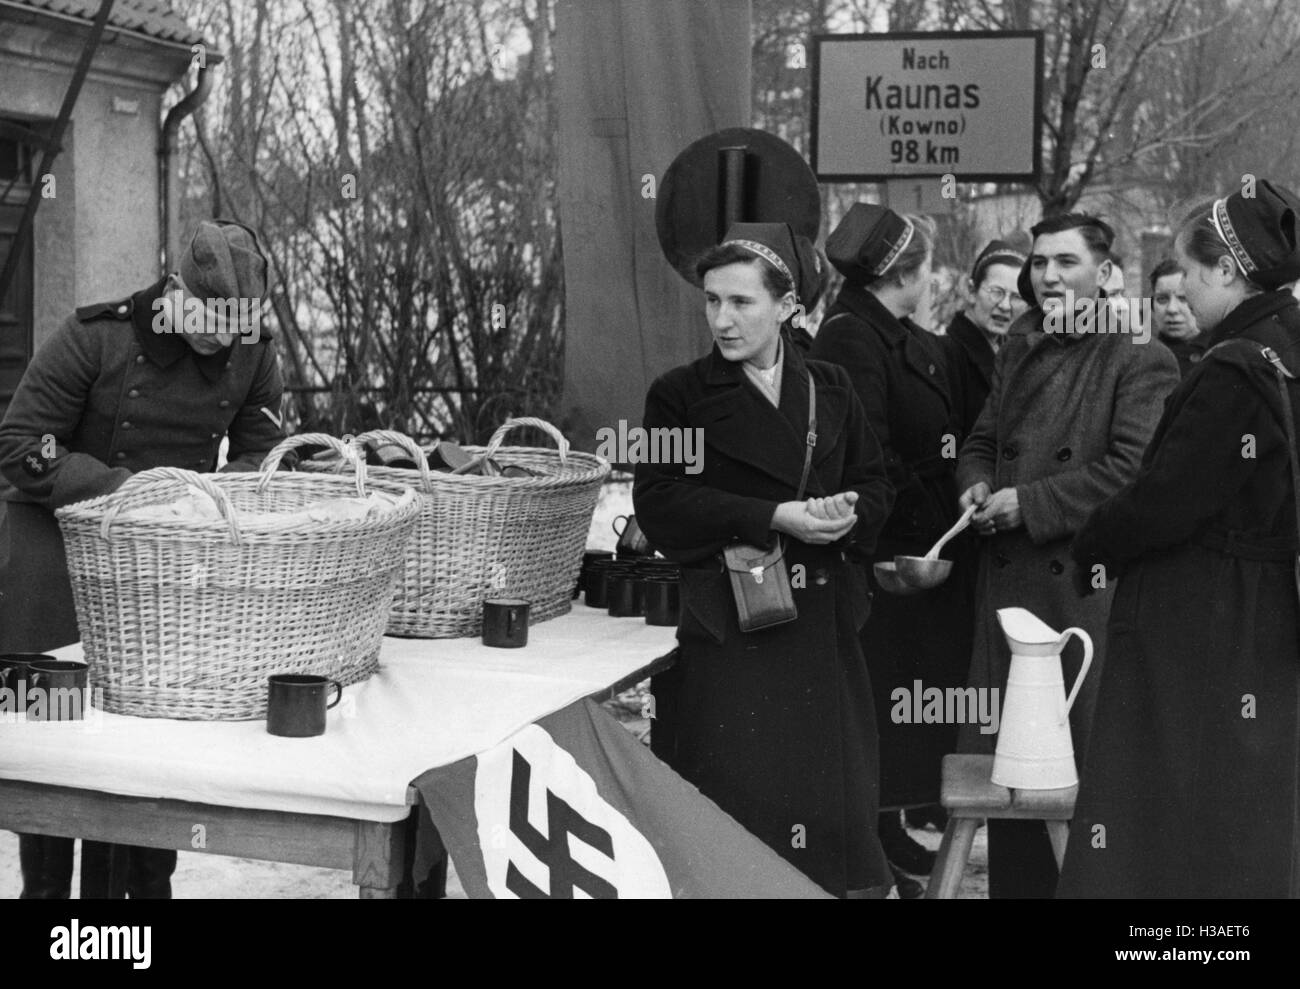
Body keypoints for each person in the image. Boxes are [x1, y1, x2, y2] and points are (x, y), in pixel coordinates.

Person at [0, 219, 289, 898]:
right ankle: (46, 900)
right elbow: (18, 442)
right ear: (175, 288)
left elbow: (260, 456)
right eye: (211, 316)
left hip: (162, 566)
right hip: (54, 550)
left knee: (150, 745)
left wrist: (208, 498)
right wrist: (120, 489)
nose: (224, 335)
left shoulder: (252, 351)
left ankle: (136, 909)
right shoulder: (96, 335)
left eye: (237, 321)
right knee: (54, 746)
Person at [633, 221, 896, 898]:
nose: (722, 318)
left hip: (824, 629)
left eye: (742, 302)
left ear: (786, 306)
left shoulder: (831, 386)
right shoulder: (679, 396)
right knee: (736, 825)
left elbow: (877, 483)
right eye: (712, 301)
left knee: (828, 826)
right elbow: (660, 503)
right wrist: (773, 516)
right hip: (732, 635)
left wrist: (847, 515)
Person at [1060, 181, 1300, 898]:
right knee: (1243, 801)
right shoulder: (1285, 347)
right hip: (1264, 606)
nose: (1182, 292)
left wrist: (1095, 539)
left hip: (1201, 615)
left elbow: (1167, 499)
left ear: (1225, 268)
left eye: (1189, 273)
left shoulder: (1234, 366)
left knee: (1169, 804)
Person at [954, 213, 1180, 898]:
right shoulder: (1021, 345)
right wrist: (976, 485)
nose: (1048, 276)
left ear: (1107, 275)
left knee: (1079, 788)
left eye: (1067, 262)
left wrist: (1030, 504)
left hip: (1081, 602)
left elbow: (1131, 472)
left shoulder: (1141, 355)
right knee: (1013, 788)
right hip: (1010, 599)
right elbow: (980, 441)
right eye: (1041, 262)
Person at [809, 204, 970, 891]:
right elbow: (865, 447)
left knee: (901, 704)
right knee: (879, 702)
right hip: (886, 554)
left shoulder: (891, 331)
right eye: (927, 269)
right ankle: (870, 844)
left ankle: (889, 826)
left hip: (916, 544)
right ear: (907, 274)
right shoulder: (853, 338)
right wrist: (917, 519)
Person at [941, 239, 1029, 443]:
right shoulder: (948, 353)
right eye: (996, 292)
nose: (1005, 306)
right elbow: (947, 438)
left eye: (1016, 297)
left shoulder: (1011, 350)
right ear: (972, 292)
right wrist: (955, 470)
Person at [1149, 257, 1206, 375]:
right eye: (1162, 299)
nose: (1172, 309)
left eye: (1183, 298)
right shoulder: (1143, 357)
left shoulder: (1220, 353)